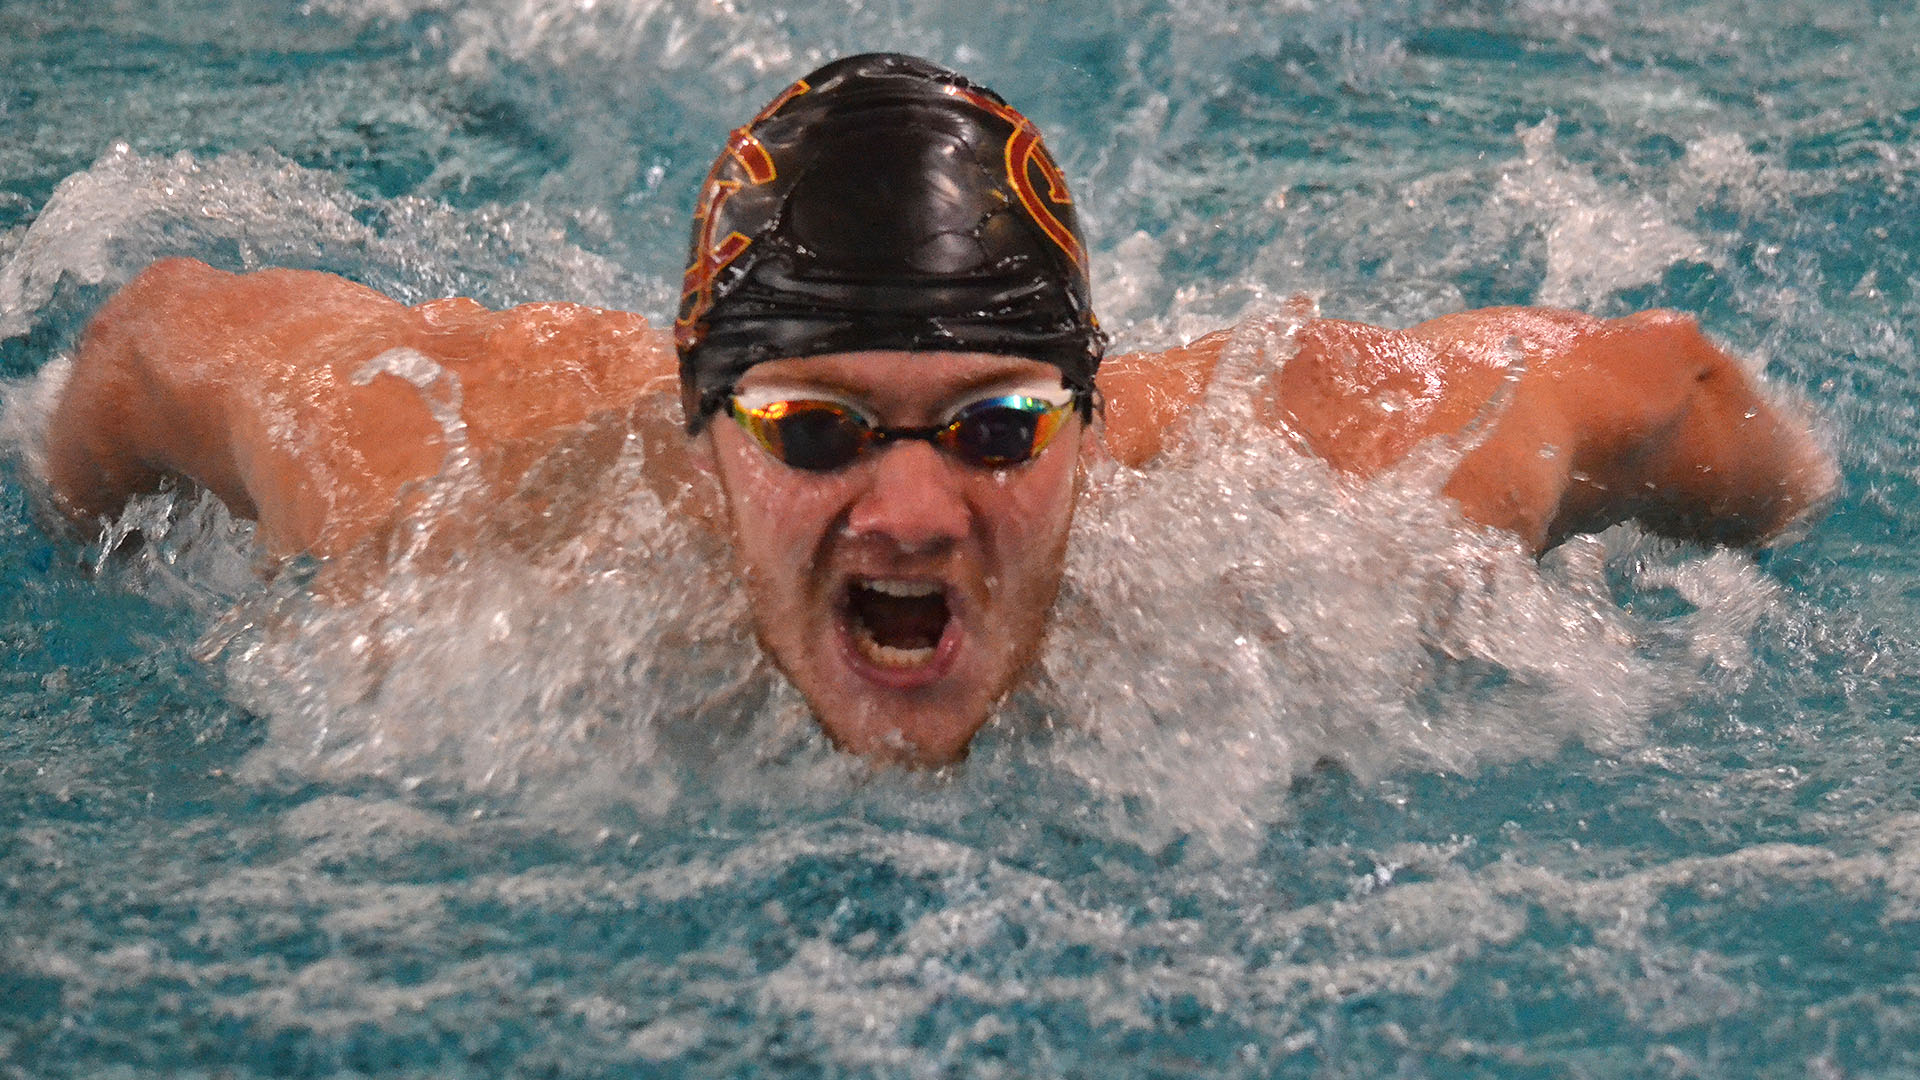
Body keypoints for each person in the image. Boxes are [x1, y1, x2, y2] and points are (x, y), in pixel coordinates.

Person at [42, 53, 1833, 765]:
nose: (909, 514)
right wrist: (72, 555)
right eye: (817, 432)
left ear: (1096, 420)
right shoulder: (434, 508)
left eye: (993, 428)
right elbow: (148, 343)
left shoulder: (1343, 493)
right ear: (700, 443)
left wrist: (1805, 519)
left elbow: (1666, 379)